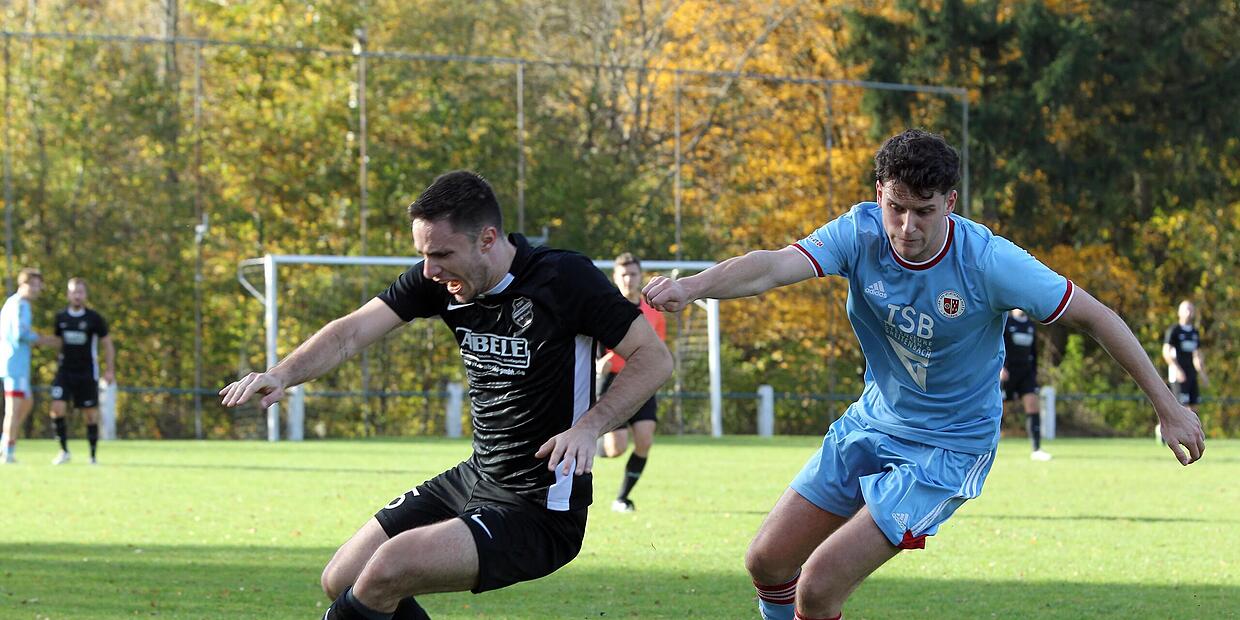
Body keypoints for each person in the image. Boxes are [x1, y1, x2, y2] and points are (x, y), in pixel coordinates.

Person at [643, 129, 1206, 620]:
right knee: (765, 561)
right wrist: (692, 286)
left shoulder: (989, 261)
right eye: (895, 207)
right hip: (873, 422)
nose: (907, 226)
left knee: (817, 588)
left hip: (947, 450)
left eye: (924, 211)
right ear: (879, 196)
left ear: (950, 202)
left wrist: (1169, 408)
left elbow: (1098, 316)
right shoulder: (858, 233)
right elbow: (770, 266)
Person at [220, 171, 672, 620]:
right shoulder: (439, 281)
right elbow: (351, 332)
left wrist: (590, 426)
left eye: (441, 254)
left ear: (488, 239)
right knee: (343, 578)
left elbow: (654, 359)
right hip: (476, 477)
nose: (430, 270)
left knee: (390, 567)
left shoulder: (564, 278)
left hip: (541, 504)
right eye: (423, 255)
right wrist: (282, 375)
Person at [597, 252, 667, 513]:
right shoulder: (605, 306)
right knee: (615, 449)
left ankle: (622, 498)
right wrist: (598, 363)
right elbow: (592, 340)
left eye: (633, 274)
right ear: (615, 277)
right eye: (623, 274)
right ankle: (591, 442)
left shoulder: (653, 311)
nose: (628, 279)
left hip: (643, 379)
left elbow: (657, 346)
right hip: (612, 380)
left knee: (645, 440)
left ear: (640, 277)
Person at [49, 277, 115, 465]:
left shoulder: (94, 319)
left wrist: (110, 370)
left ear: (85, 295)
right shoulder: (60, 318)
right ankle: (64, 451)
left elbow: (107, 344)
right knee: (57, 408)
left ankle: (92, 456)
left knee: (90, 414)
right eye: (73, 292)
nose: (77, 296)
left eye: (80, 292)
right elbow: (57, 342)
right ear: (68, 294)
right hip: (64, 371)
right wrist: (33, 339)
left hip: (86, 372)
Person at [0, 268, 60, 464]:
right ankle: (7, 450)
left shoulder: (11, 302)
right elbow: (20, 334)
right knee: (14, 408)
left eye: (38, 285)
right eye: (32, 284)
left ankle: (5, 441)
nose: (36, 289)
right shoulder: (20, 304)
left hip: (14, 363)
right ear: (22, 284)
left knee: (26, 402)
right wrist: (46, 340)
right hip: (14, 364)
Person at [1000, 308, 1051, 461]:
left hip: (1026, 373)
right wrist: (1000, 367)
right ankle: (987, 446)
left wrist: (1034, 374)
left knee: (1033, 405)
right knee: (999, 408)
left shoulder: (1030, 325)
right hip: (1008, 373)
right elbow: (997, 345)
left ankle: (1036, 449)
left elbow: (1034, 353)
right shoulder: (1006, 322)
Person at [1163, 300, 1207, 411]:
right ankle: (1165, 427)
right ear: (1179, 312)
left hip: (1191, 374)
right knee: (1182, 409)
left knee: (1194, 409)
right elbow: (1166, 352)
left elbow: (1197, 355)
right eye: (1186, 309)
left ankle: (1193, 429)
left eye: (1191, 309)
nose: (1189, 312)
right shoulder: (1174, 331)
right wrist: (1177, 369)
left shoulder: (1194, 332)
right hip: (1179, 376)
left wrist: (1202, 374)